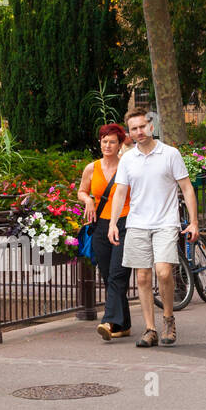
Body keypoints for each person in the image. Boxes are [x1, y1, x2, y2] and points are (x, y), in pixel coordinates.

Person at [108, 108, 199, 347]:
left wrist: (193, 221)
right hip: (137, 223)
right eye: (134, 129)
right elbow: (120, 193)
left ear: (151, 126)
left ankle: (168, 319)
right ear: (130, 132)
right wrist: (113, 223)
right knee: (143, 277)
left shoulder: (170, 154)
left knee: (163, 272)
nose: (139, 132)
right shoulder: (127, 158)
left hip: (165, 222)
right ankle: (150, 329)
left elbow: (187, 188)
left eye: (142, 126)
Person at [80, 123, 131, 340]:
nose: (107, 145)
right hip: (100, 224)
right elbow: (81, 191)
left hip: (124, 222)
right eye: (104, 141)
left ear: (120, 145)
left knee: (118, 273)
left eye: (112, 141)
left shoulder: (128, 167)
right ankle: (124, 324)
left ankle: (108, 322)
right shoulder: (92, 168)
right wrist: (88, 199)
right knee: (108, 275)